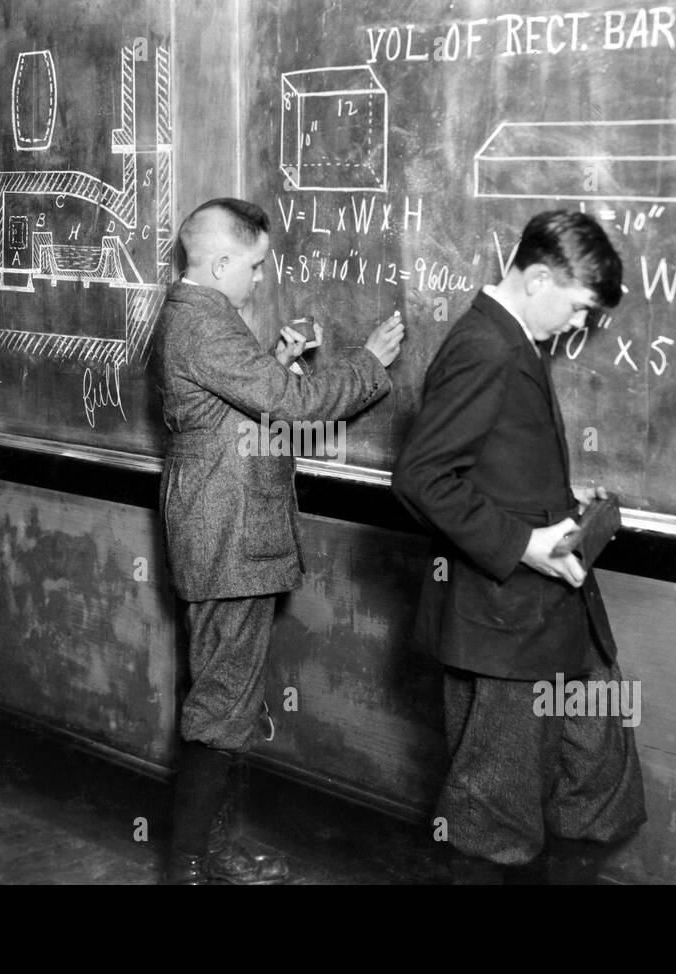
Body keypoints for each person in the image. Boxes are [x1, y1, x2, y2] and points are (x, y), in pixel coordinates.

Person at [154, 197, 404, 884]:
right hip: (227, 534)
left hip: (227, 529)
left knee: (227, 700)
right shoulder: (203, 323)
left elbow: (237, 407)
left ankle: (214, 851)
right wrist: (368, 365)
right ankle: (191, 867)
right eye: (257, 265)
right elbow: (290, 409)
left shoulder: (202, 320)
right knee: (220, 705)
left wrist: (274, 363)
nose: (260, 279)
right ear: (223, 259)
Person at [392, 209, 645, 885]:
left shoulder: (514, 339)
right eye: (579, 307)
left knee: (594, 778)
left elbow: (491, 466)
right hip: (503, 620)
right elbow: (420, 477)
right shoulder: (489, 347)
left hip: (551, 612)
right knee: (494, 818)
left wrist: (555, 507)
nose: (579, 326)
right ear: (538, 278)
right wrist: (524, 541)